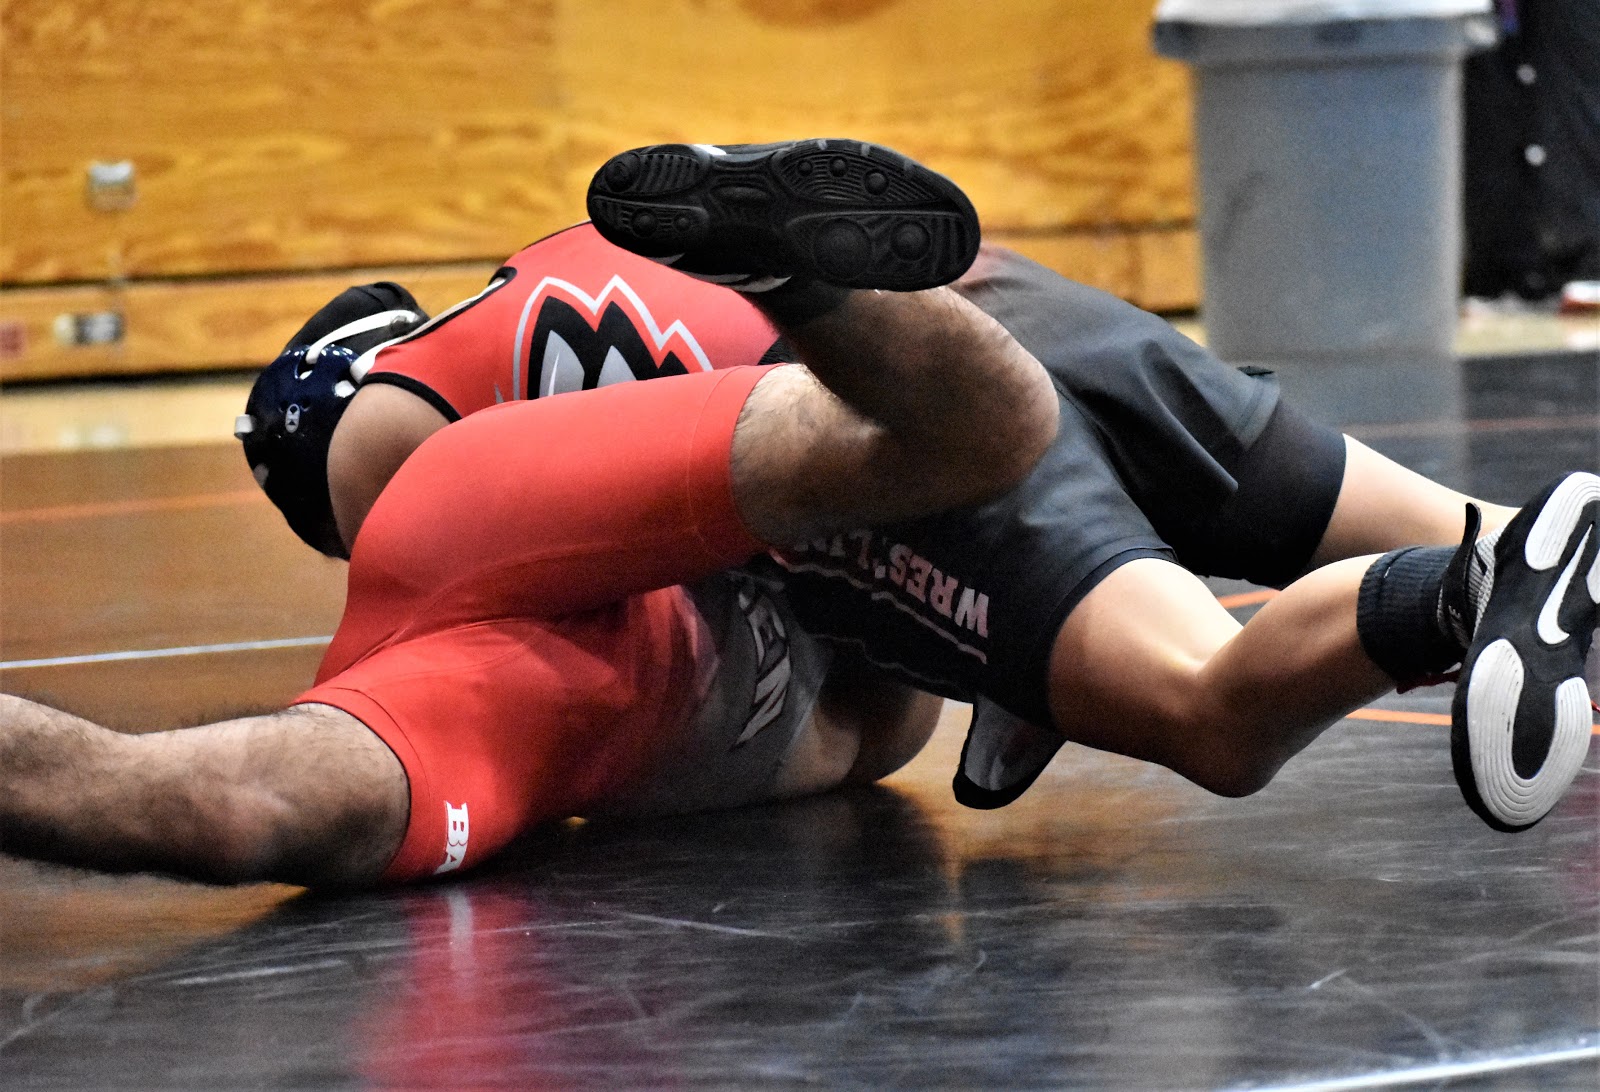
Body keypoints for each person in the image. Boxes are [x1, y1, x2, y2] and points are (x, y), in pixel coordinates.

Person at [242, 140, 1600, 837]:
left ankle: (1461, 594)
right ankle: (1502, 547)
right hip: (1013, 308)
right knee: (1485, 521)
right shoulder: (536, 275)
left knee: (1213, 711)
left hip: (898, 431)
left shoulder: (377, 450)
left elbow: (727, 675)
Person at [0, 139, 1059, 889]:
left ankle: (809, 291)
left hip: (539, 517)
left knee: (992, 463)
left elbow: (230, 805)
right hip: (622, 529)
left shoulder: (429, 525)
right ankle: (810, 290)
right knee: (986, 470)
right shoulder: (471, 631)